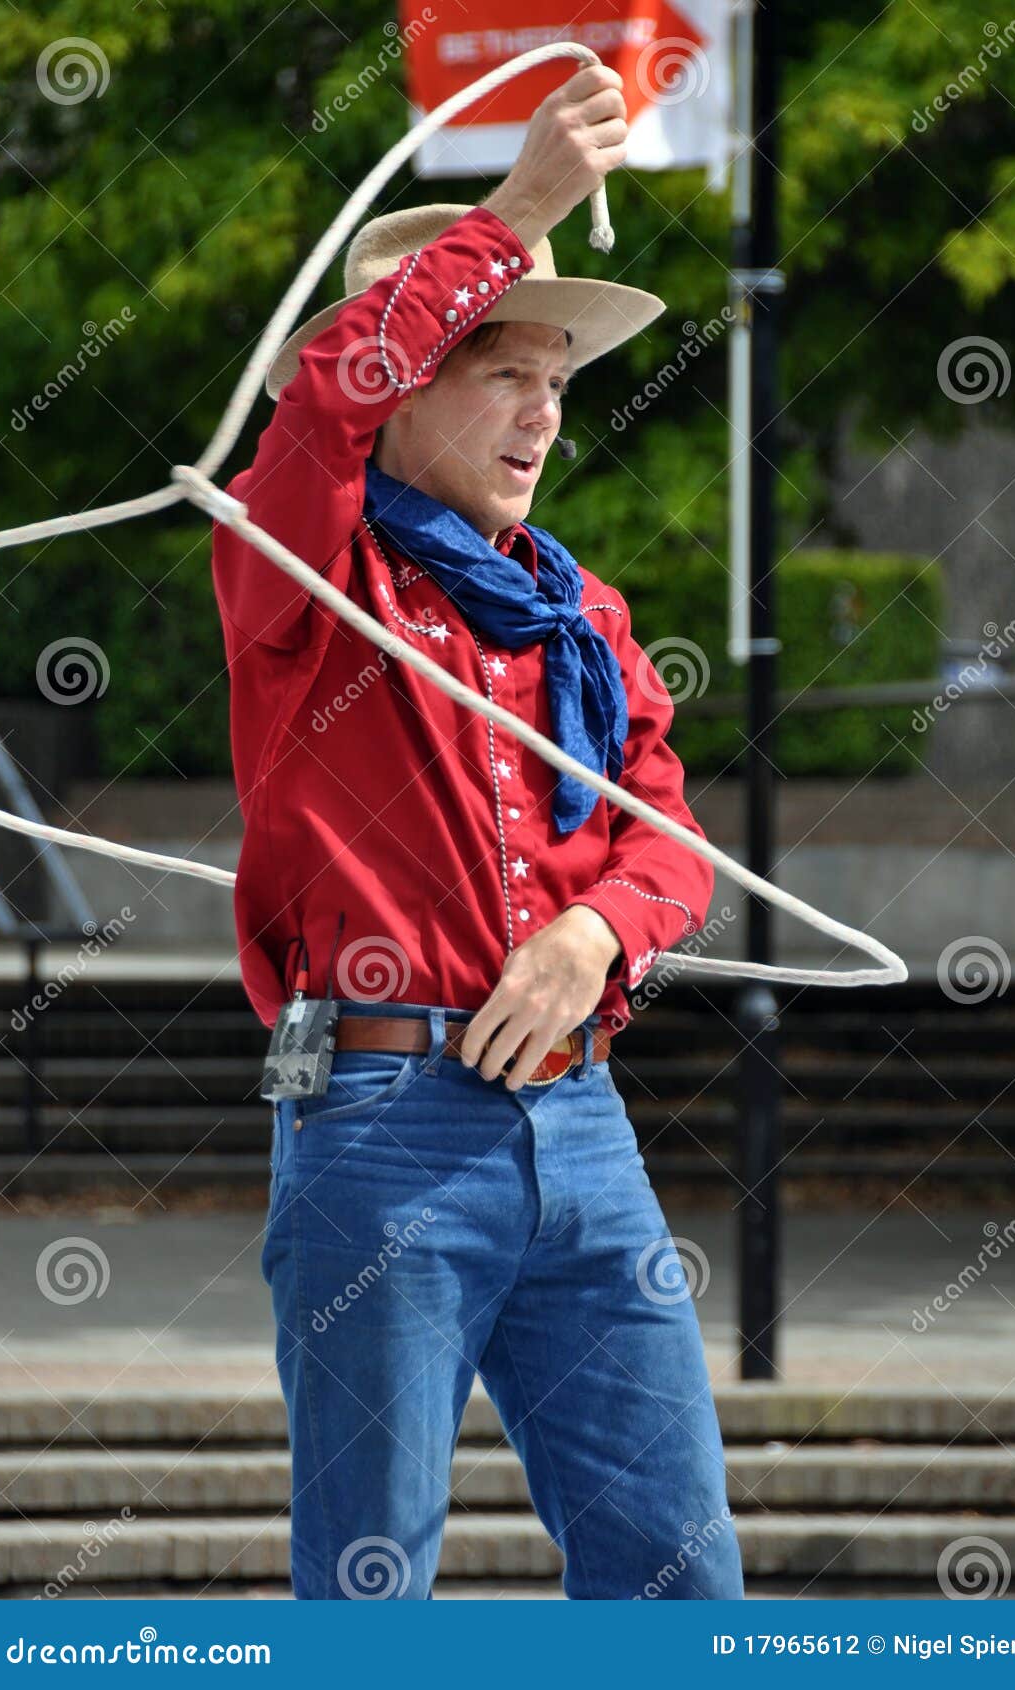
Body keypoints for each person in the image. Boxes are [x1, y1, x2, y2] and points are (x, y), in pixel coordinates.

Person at [211, 61, 744, 1601]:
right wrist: (515, 209)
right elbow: (322, 396)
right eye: (501, 367)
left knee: (679, 1576)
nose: (541, 409)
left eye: (556, 379)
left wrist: (595, 932)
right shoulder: (299, 571)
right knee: (371, 1593)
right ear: (408, 391)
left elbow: (669, 841)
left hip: (581, 1126)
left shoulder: (577, 609)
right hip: (380, 1123)